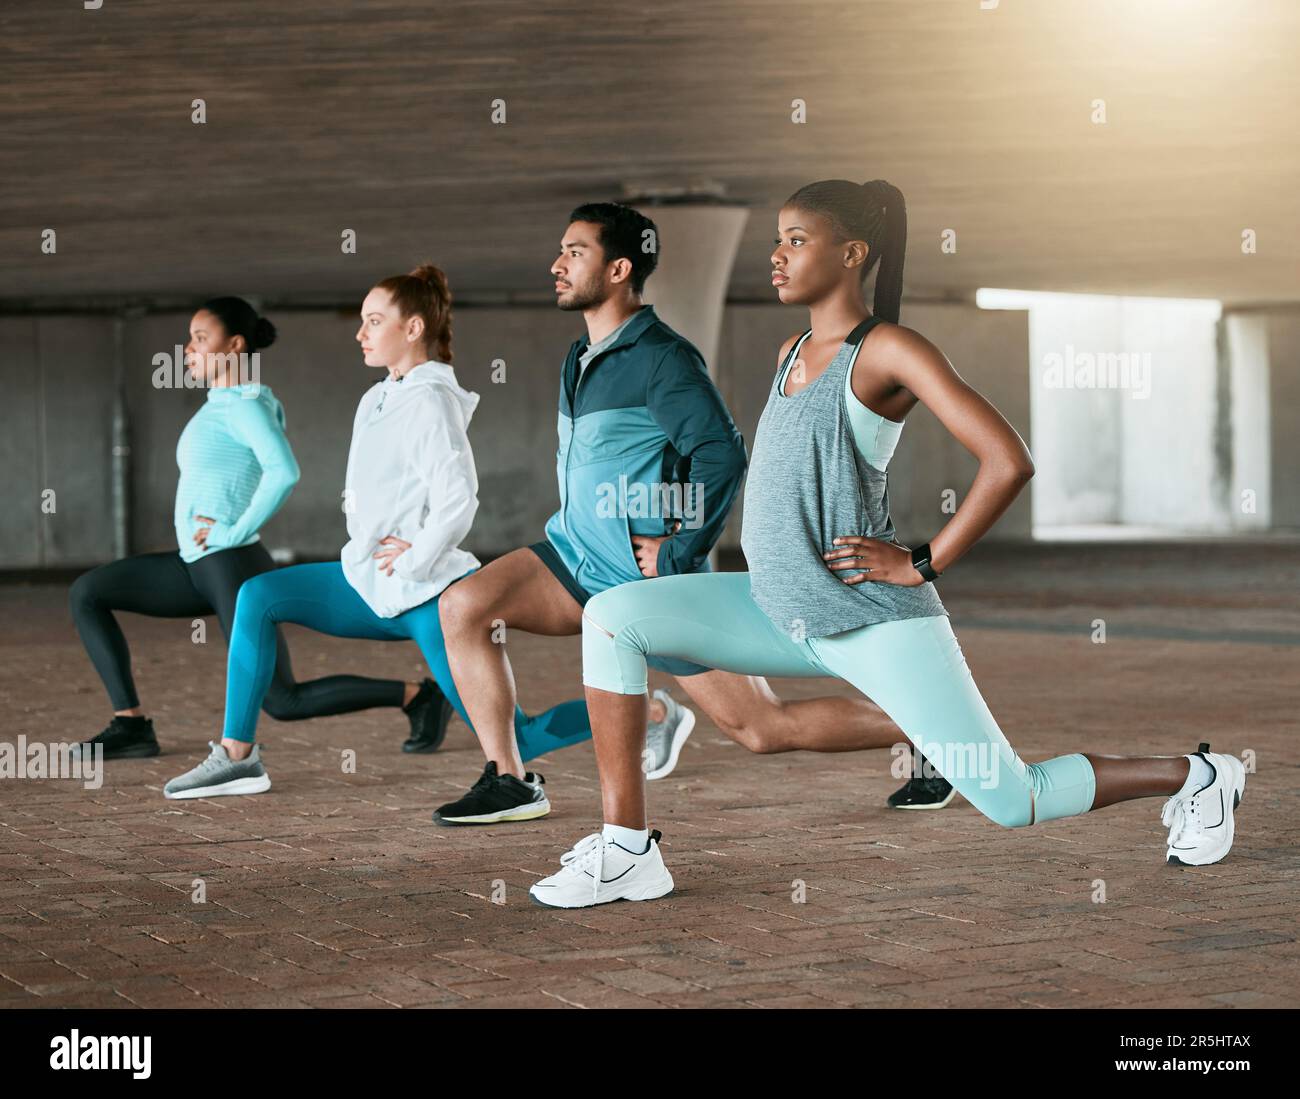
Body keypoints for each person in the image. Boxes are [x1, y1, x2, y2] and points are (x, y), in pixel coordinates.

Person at [529, 179, 1246, 908]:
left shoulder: (887, 350)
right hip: (776, 607)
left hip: (870, 617)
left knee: (1013, 798)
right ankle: (627, 850)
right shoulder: (792, 348)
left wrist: (924, 560)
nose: (776, 255)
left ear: (852, 252)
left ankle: (1198, 776)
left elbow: (1009, 459)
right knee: (614, 615)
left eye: (796, 240)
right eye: (776, 239)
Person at [433, 202, 939, 826]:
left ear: (618, 269)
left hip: (650, 585)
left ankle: (931, 738)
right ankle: (510, 781)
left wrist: (675, 548)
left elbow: (722, 454)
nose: (556, 265)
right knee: (463, 606)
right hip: (572, 559)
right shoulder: (580, 357)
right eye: (561, 252)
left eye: (574, 252)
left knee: (762, 728)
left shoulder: (662, 359)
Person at [161, 267, 592, 800]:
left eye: (373, 321)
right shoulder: (379, 396)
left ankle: (650, 712)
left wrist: (415, 558)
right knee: (258, 595)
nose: (360, 332)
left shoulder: (431, 400)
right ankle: (236, 756)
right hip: (365, 581)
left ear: (412, 328)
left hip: (428, 596)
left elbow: (459, 497)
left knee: (517, 735)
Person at [68, 296, 445, 766]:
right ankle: (131, 725)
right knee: (89, 592)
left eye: (201, 339)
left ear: (235, 345)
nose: (188, 349)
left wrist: (233, 531)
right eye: (190, 339)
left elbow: (284, 470)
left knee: (282, 701)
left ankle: (418, 695)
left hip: (231, 565)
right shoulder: (223, 403)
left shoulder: (245, 404)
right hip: (195, 566)